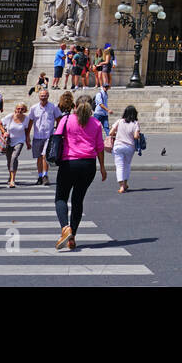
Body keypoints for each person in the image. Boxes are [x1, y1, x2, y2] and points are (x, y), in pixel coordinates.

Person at [52, 95, 106, 251]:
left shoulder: (67, 120)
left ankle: (65, 228)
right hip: (88, 165)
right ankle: (72, 237)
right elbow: (100, 148)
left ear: (75, 105)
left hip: (69, 163)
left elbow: (56, 138)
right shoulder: (96, 123)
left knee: (61, 198)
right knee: (78, 200)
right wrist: (102, 167)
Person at [27, 89, 62, 186]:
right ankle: (40, 176)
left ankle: (45, 175)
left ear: (48, 96)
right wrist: (27, 136)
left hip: (49, 136)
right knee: (38, 157)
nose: (43, 97)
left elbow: (59, 120)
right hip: (37, 136)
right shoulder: (34, 108)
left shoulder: (53, 107)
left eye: (45, 95)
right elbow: (30, 122)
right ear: (39, 96)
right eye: (42, 95)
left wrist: (58, 132)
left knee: (44, 156)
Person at [109, 106, 141, 193]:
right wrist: (138, 135)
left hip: (118, 146)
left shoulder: (119, 121)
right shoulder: (135, 123)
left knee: (119, 166)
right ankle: (125, 183)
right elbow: (135, 136)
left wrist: (118, 134)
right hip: (129, 147)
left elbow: (111, 133)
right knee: (127, 165)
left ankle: (121, 186)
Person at [0, 102, 30, 187]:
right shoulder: (10, 116)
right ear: (15, 109)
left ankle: (13, 180)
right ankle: (10, 176)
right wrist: (4, 132)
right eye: (18, 109)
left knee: (14, 157)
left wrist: (27, 141)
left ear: (25, 110)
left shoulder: (27, 118)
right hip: (9, 140)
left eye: (22, 109)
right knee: (9, 160)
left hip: (20, 140)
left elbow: (27, 131)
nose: (20, 110)